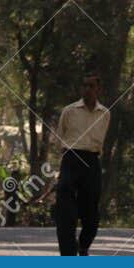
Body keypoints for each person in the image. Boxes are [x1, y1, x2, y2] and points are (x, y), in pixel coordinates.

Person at [54, 72, 110, 256]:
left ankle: (84, 245)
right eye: (84, 85)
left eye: (91, 86)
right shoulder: (69, 111)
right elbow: (60, 136)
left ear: (98, 89)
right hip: (71, 158)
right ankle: (68, 254)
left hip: (91, 160)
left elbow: (101, 141)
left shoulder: (104, 114)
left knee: (91, 213)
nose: (87, 89)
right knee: (65, 210)